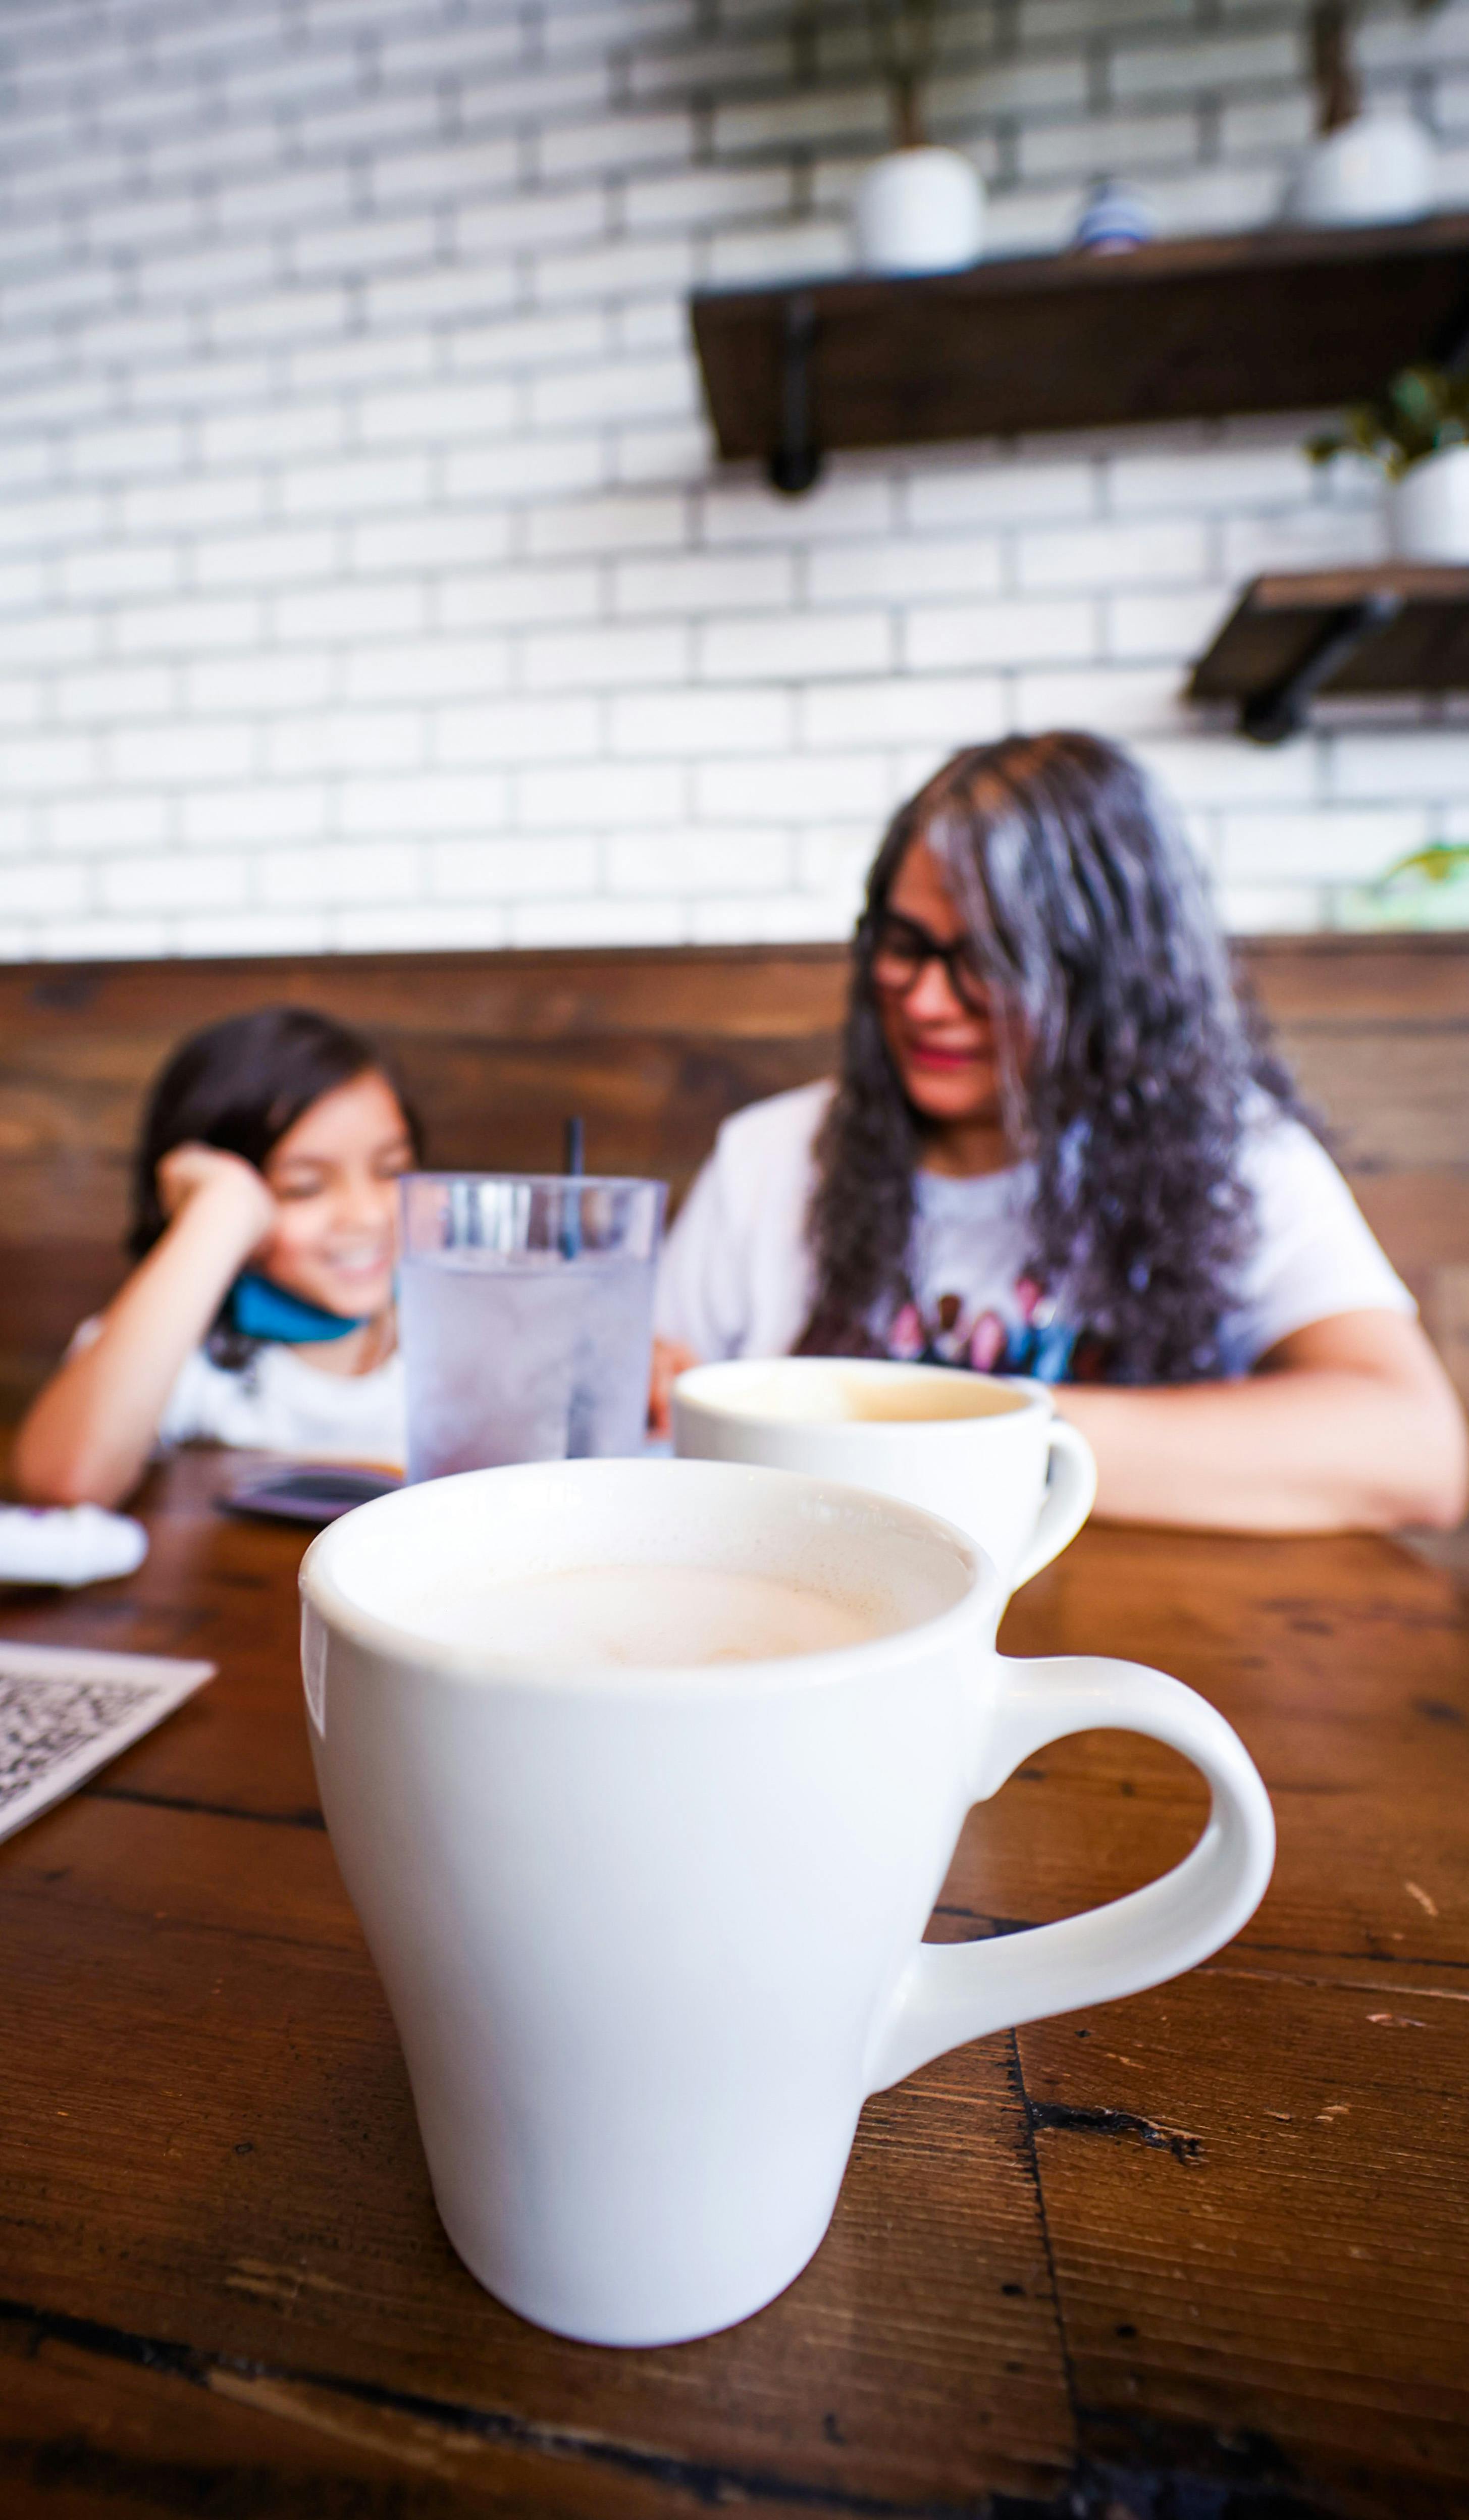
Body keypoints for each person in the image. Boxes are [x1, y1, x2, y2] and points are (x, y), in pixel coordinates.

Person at [654, 732, 1467, 1534]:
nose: (927, 1001)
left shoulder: (1236, 1157)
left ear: (1110, 981)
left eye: (992, 961)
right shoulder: (767, 1158)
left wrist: (944, 1429)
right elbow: (649, 1418)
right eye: (904, 947)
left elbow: (1416, 1454)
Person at [14, 1007, 419, 1509]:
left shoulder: (457, 1332)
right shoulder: (179, 1354)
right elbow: (64, 1481)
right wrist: (219, 1211)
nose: (367, 1215)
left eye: (392, 1170)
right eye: (304, 1188)